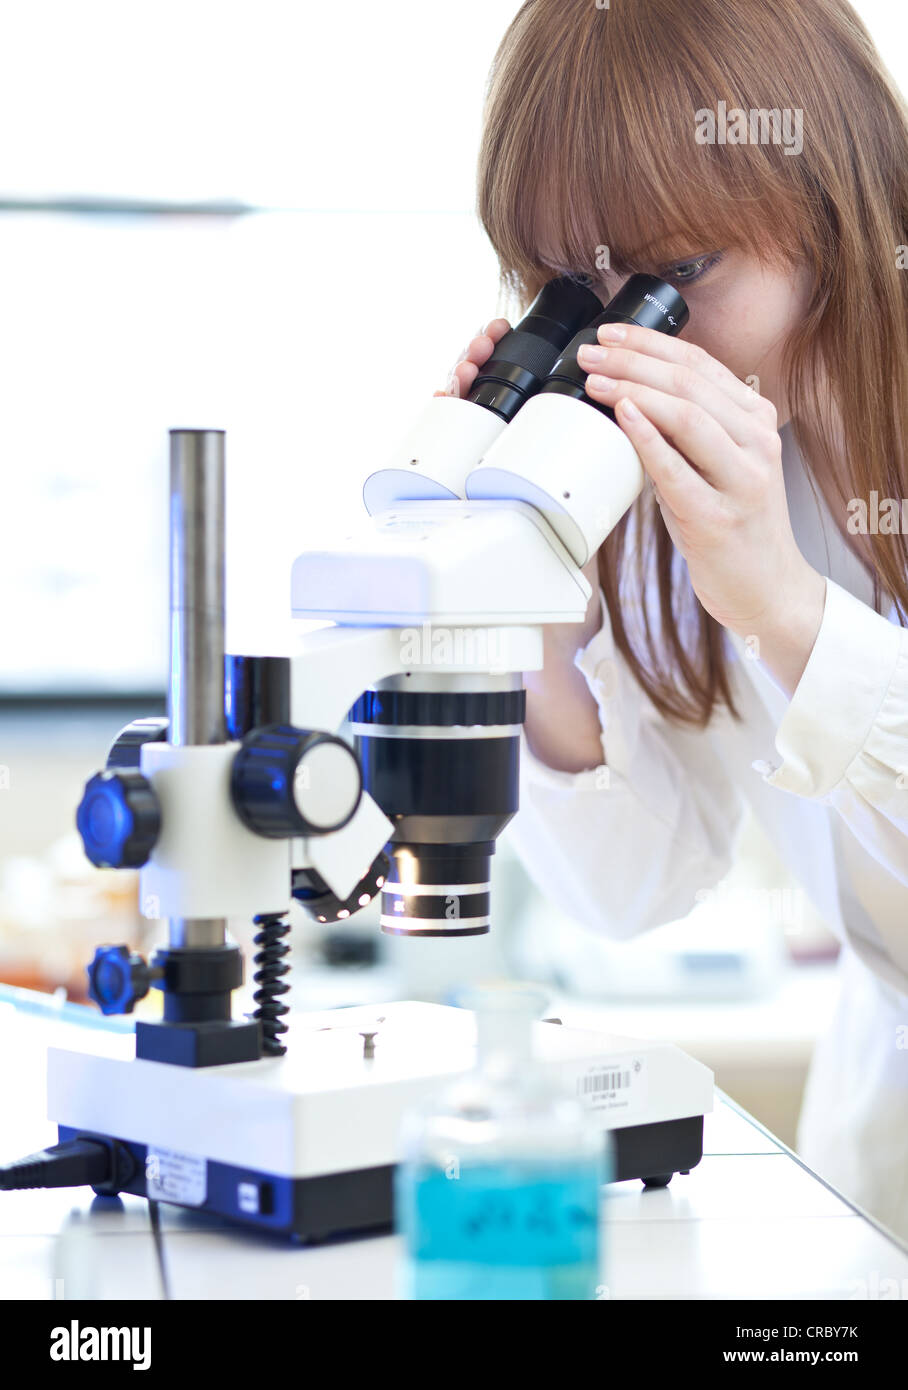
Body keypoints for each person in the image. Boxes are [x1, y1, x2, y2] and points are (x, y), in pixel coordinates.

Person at [439, 0, 908, 1242]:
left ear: (834, 200)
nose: (622, 337)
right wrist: (532, 615)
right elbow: (631, 890)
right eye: (573, 289)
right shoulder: (673, 487)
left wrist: (782, 607)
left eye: (676, 272)